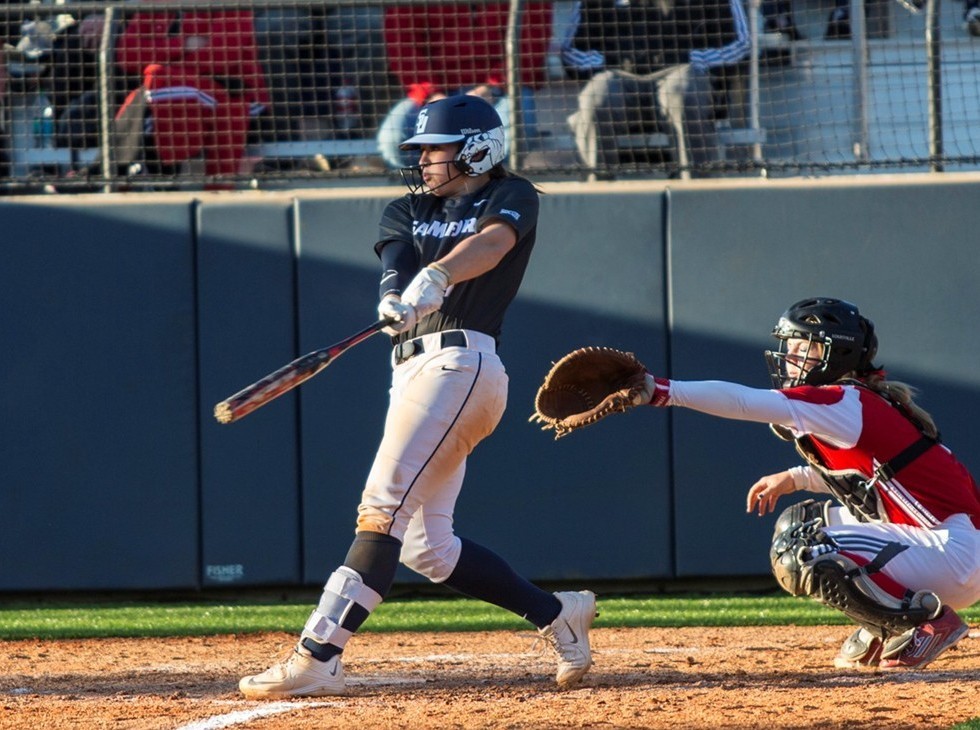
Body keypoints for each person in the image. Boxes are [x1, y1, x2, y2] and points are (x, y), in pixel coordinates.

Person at [239, 94, 597, 699]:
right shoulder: (404, 208)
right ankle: (558, 614)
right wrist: (395, 294)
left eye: (436, 148)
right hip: (412, 371)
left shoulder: (512, 195)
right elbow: (397, 263)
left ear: (476, 149)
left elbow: (492, 246)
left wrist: (441, 276)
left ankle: (318, 655)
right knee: (429, 548)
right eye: (423, 149)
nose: (425, 159)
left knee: (381, 506)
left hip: (462, 364)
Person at [595, 297, 978, 670]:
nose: (791, 355)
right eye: (790, 345)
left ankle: (915, 621)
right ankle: (886, 622)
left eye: (803, 346)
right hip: (949, 548)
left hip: (954, 553)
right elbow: (874, 481)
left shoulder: (843, 400)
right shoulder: (856, 401)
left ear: (836, 354)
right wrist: (797, 478)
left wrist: (661, 390)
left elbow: (744, 402)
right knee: (799, 524)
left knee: (801, 548)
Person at [563, 0, 751, 178]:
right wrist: (613, 61)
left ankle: (695, 193)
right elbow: (572, 51)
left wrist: (686, 58)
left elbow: (740, 45)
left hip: (684, 72)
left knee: (681, 91)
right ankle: (598, 196)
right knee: (596, 98)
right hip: (620, 76)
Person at [375, 1, 553, 169]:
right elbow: (402, 48)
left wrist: (491, 86)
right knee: (394, 141)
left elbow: (532, 46)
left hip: (501, 91)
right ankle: (432, 195)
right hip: (437, 93)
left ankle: (490, 193)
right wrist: (432, 94)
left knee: (512, 140)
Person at [113, 6, 271, 183]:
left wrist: (163, 65)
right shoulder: (155, 2)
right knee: (159, 89)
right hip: (169, 90)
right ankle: (155, 178)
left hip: (234, 91)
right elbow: (126, 54)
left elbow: (220, 57)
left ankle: (122, 172)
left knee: (158, 85)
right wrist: (182, 46)